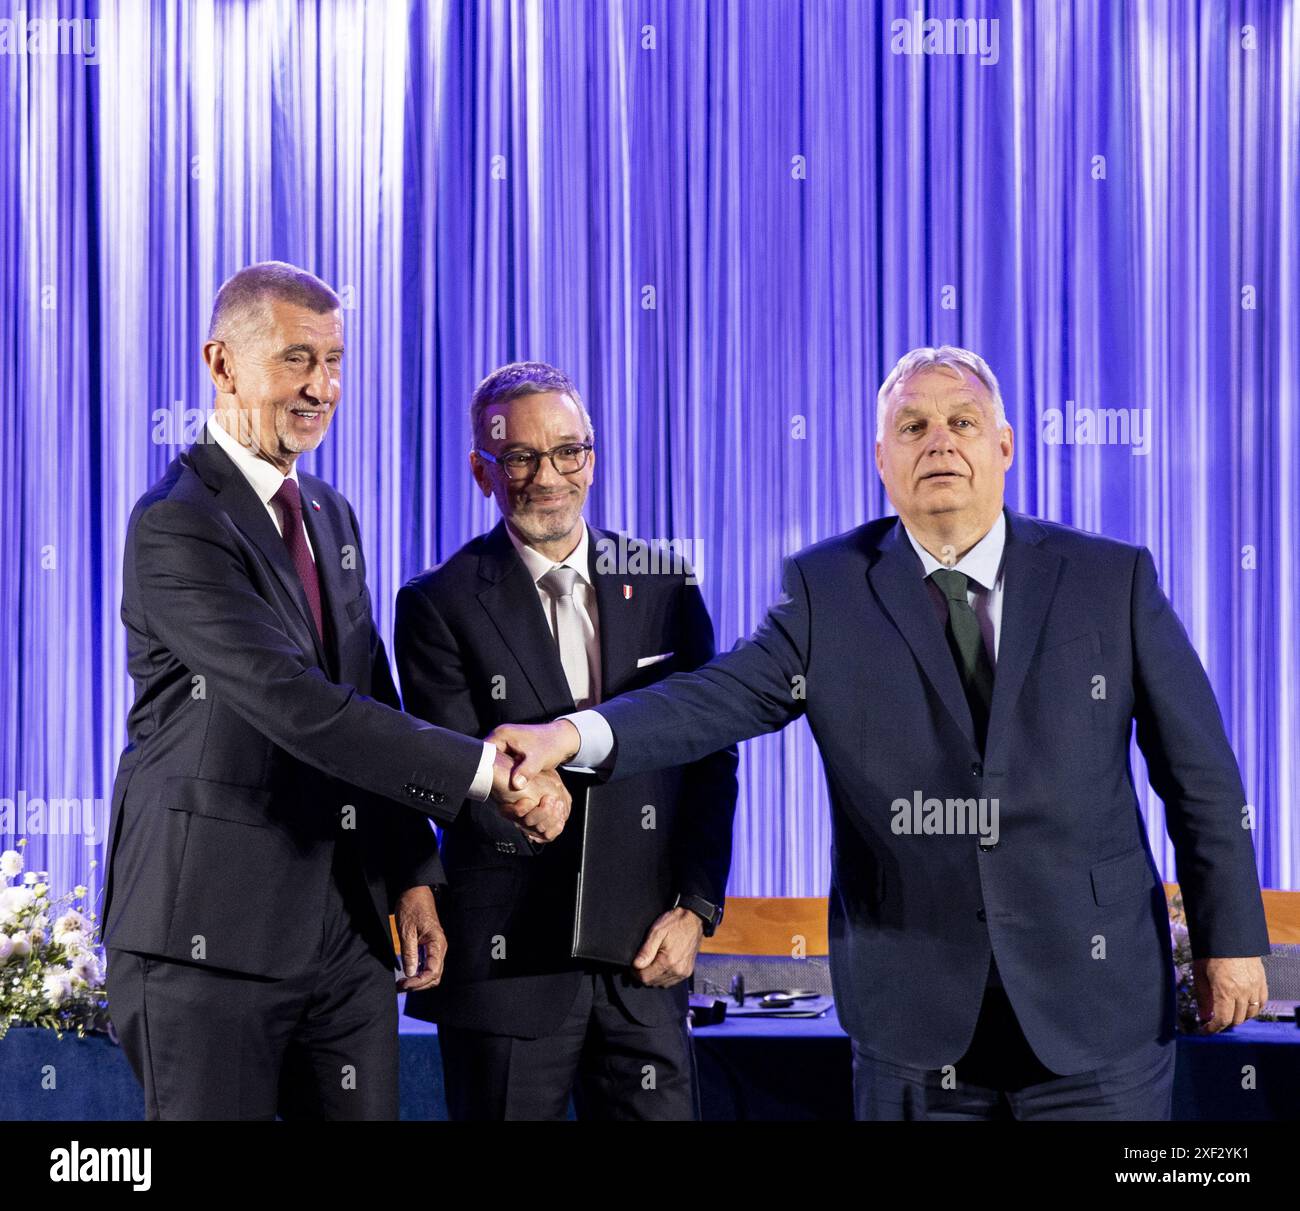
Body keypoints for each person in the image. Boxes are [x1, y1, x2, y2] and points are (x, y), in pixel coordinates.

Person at [491, 345, 1271, 1121]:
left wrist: (1229, 938)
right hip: (914, 1027)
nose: (939, 441)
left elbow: (1199, 773)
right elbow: (711, 698)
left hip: (1098, 1014)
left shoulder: (1110, 578)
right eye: (913, 425)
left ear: (1003, 446)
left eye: (962, 421)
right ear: (879, 458)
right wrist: (570, 735)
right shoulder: (826, 588)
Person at [103, 262, 568, 1121]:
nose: (323, 386)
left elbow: (369, 695)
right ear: (221, 363)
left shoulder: (331, 512)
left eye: (335, 360)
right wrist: (483, 772)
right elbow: (298, 704)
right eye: (297, 360)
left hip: (348, 938)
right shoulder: (175, 522)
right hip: (206, 939)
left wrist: (411, 873)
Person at [395, 362, 738, 1119]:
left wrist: (696, 907)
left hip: (647, 956)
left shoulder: (663, 583)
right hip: (508, 965)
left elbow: (712, 754)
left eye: (568, 451)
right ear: (482, 470)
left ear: (593, 456)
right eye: (519, 457)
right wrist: (520, 797)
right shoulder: (437, 603)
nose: (548, 476)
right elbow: (447, 766)